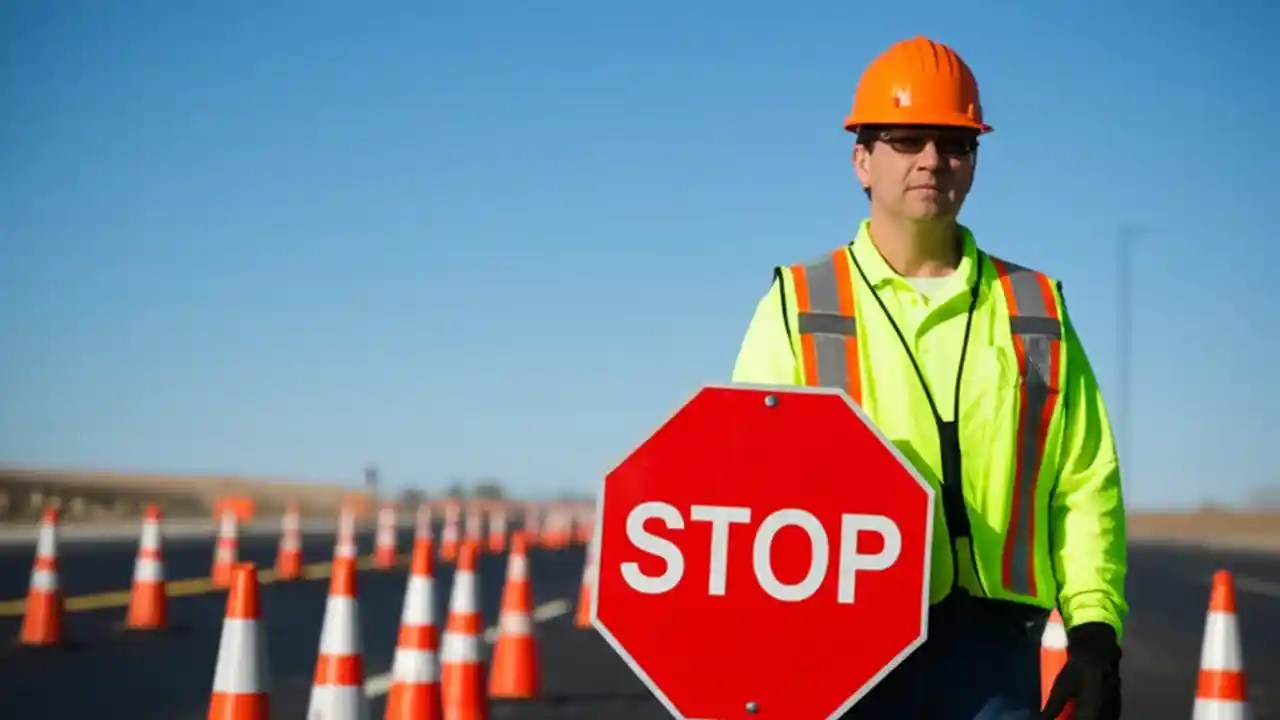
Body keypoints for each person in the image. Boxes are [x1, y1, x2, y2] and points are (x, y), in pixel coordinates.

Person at [730, 35, 1127, 720]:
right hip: (843, 642)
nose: (932, 160)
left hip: (996, 654)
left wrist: (1094, 631)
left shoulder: (1034, 308)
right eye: (908, 139)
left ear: (973, 163)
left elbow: (1083, 482)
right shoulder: (801, 303)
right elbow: (746, 482)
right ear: (862, 159)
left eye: (955, 143)